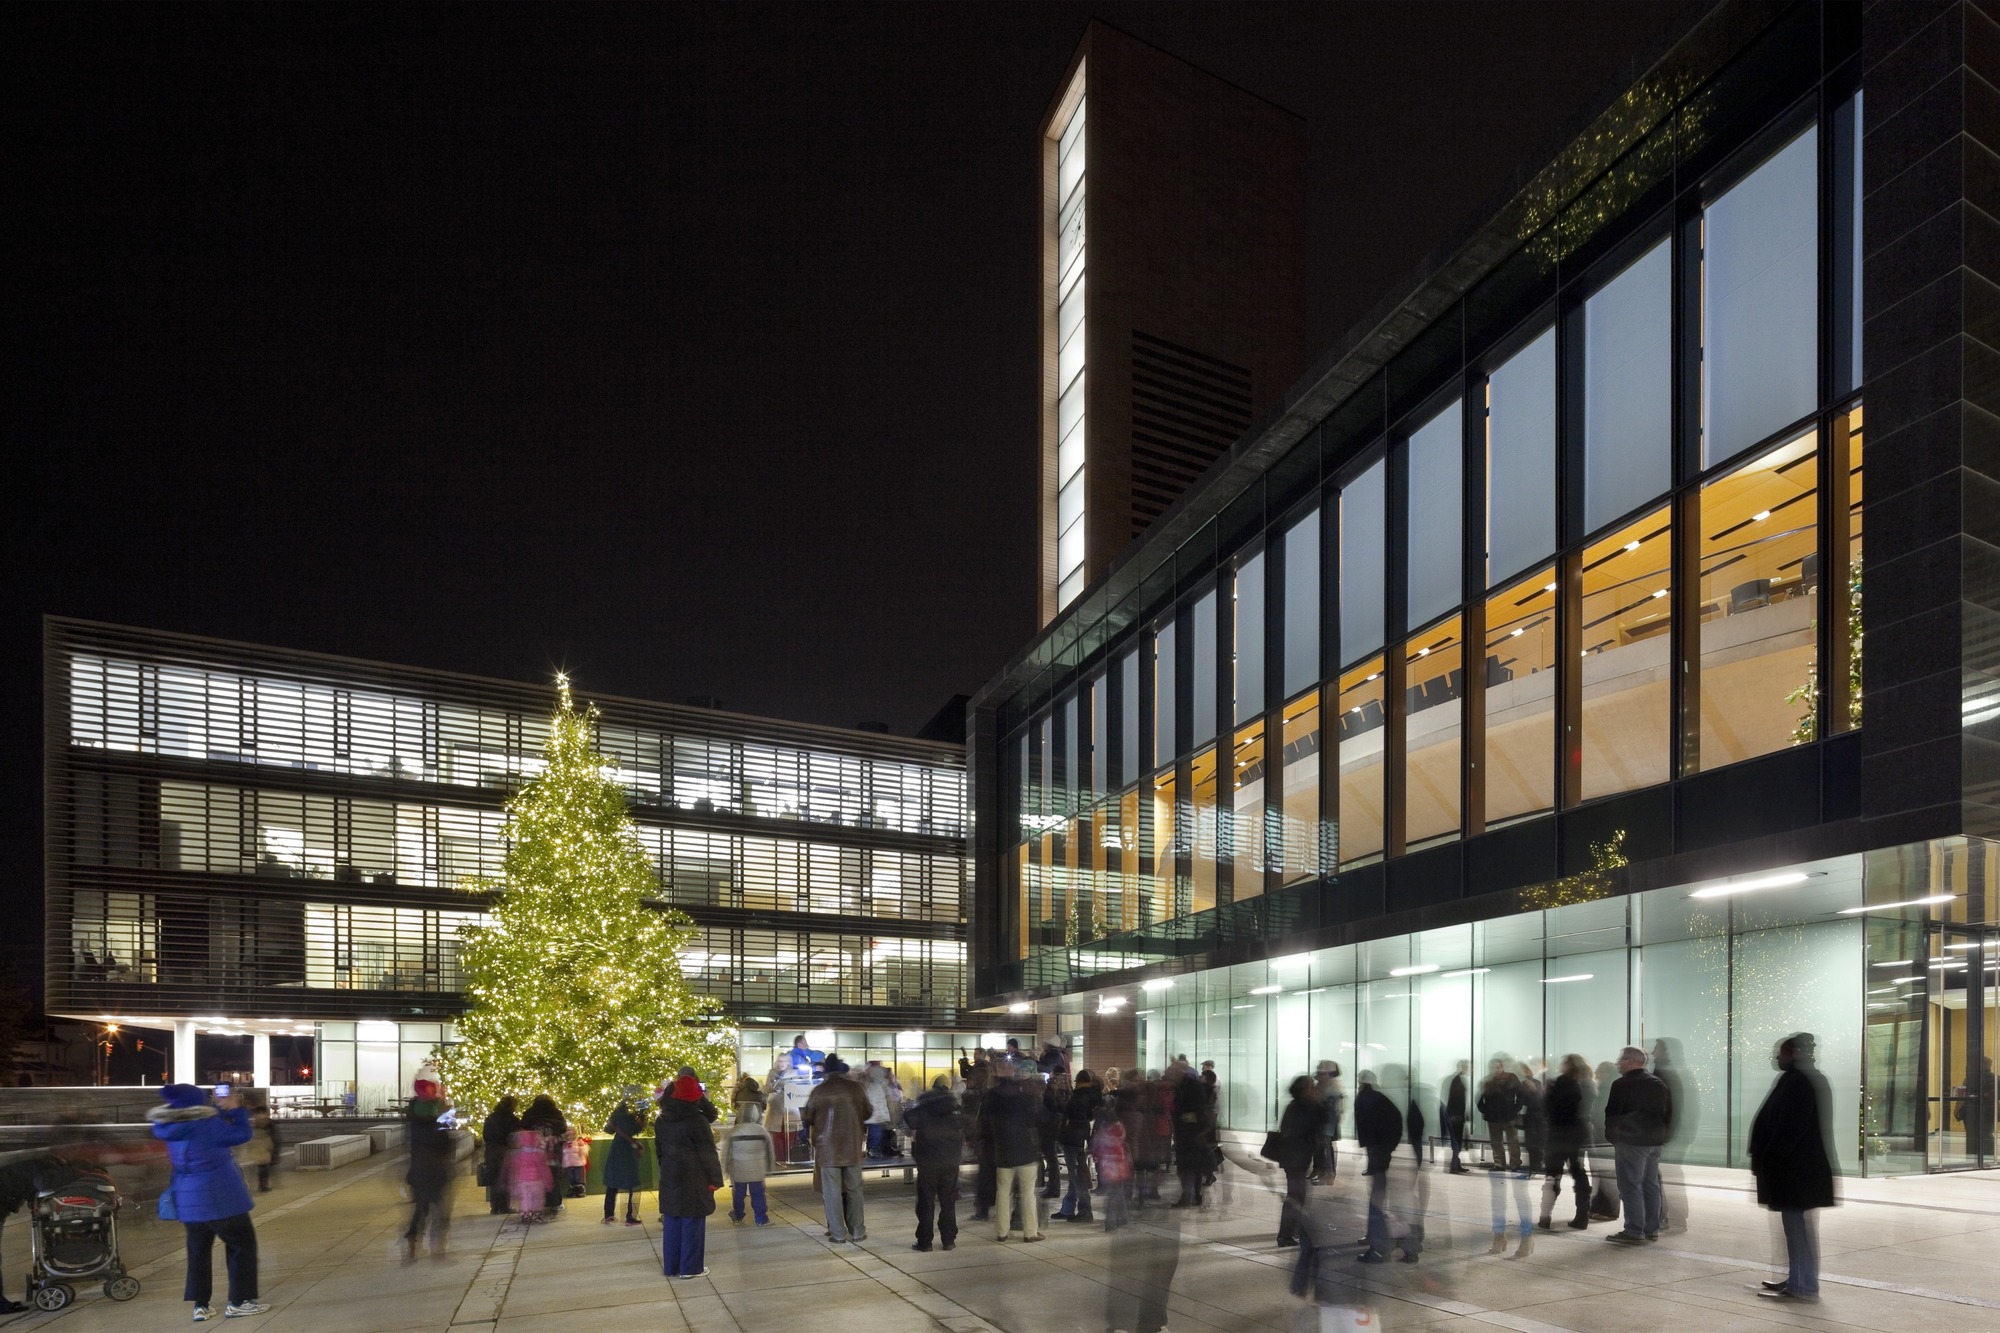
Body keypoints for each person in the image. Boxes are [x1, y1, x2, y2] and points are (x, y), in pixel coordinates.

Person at [151, 1084, 267, 1320]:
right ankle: (240, 1302)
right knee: (241, 1246)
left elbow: (204, 1133)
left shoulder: (169, 1125)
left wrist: (221, 1112)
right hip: (219, 1197)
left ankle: (201, 1306)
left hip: (188, 1201)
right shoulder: (206, 1124)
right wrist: (236, 1111)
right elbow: (241, 1135)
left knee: (198, 1252)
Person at [1749, 1033, 1836, 1303]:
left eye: (1781, 1053)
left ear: (1794, 1054)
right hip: (1796, 1170)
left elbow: (1790, 1128)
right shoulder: (1798, 1079)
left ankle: (1804, 1285)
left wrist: (1771, 1158)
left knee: (1798, 1230)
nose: (1777, 1057)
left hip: (1796, 1171)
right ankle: (1799, 1278)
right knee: (1796, 1228)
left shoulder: (1800, 1082)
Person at [656, 1073, 724, 1279]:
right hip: (694, 1176)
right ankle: (691, 1267)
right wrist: (715, 1179)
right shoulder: (697, 1121)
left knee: (672, 1220)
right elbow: (708, 1153)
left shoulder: (662, 1119)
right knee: (692, 1221)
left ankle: (672, 1267)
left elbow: (659, 1150)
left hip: (670, 1174)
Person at [1603, 1044, 1671, 1246]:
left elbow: (1613, 1114)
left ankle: (1634, 1230)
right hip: (1654, 1142)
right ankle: (1652, 1229)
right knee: (1651, 1185)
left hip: (1631, 1142)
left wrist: (1613, 1136)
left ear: (1631, 1061)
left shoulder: (1621, 1084)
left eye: (1621, 1059)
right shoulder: (1658, 1083)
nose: (1618, 1063)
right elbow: (1667, 1113)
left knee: (1630, 1186)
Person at [804, 1055, 870, 1243]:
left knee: (832, 1192)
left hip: (827, 1150)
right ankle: (858, 1231)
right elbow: (868, 1112)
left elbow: (808, 1116)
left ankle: (838, 1233)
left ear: (826, 1072)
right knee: (855, 1190)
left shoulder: (819, 1091)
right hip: (853, 1146)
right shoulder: (856, 1089)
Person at [904, 1073, 965, 1251]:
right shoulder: (956, 1107)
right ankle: (949, 1240)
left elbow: (909, 1118)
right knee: (948, 1202)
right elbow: (967, 1125)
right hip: (951, 1162)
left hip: (928, 1161)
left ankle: (925, 1242)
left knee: (926, 1202)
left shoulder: (925, 1106)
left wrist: (921, 1100)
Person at [986, 1059, 1044, 1241]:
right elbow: (1035, 1118)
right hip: (1025, 1149)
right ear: (1012, 1071)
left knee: (1002, 1192)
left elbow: (986, 1123)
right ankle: (1030, 1232)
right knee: (1028, 1193)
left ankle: (1002, 1232)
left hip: (1003, 1150)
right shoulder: (1023, 1093)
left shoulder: (991, 1095)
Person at [1352, 1070, 1406, 1264]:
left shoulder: (1368, 1098)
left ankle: (1378, 1243)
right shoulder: (1378, 1098)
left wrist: (1377, 1147)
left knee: (1377, 1197)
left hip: (1378, 1150)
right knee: (1377, 1194)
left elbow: (1367, 1124)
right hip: (1379, 1149)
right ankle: (1376, 1236)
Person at [1537, 1054, 1592, 1232]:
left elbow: (1546, 1107)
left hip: (1558, 1134)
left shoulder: (1558, 1083)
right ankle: (1582, 1216)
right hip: (1577, 1135)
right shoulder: (1588, 1084)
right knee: (1579, 1174)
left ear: (1568, 1065)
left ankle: (1545, 1216)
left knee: (1552, 1175)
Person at [404, 1079, 456, 1261]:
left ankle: (413, 1242)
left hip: (419, 1169)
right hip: (434, 1169)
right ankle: (437, 1249)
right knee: (440, 1209)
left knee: (422, 1208)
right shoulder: (434, 1119)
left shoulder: (415, 1115)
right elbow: (445, 1137)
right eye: (430, 1090)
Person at [1273, 1075, 1319, 1248]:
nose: (1313, 1088)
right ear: (1304, 1090)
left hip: (1293, 1159)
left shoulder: (1294, 1106)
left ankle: (1291, 1233)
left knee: (1296, 1196)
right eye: (1311, 1086)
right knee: (1295, 1197)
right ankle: (1286, 1235)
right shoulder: (1302, 1107)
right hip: (1296, 1160)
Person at [1056, 1069, 1101, 1222]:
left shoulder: (1080, 1096)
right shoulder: (1093, 1094)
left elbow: (1070, 1112)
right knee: (1076, 1174)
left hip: (1073, 1137)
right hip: (1081, 1136)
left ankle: (1085, 1210)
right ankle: (1068, 1208)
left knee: (1077, 1175)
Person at [602, 1086, 647, 1226]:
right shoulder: (641, 1110)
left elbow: (608, 1129)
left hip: (617, 1147)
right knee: (631, 1183)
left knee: (612, 1182)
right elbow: (642, 1126)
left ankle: (608, 1214)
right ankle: (630, 1216)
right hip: (630, 1148)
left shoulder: (620, 1109)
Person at [725, 1102, 776, 1225]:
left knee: (738, 1194)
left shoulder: (734, 1131)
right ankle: (761, 1218)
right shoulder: (761, 1131)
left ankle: (738, 1216)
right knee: (758, 1194)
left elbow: (726, 1152)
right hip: (757, 1170)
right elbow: (769, 1151)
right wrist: (770, 1167)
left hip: (738, 1169)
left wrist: (726, 1168)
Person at [1092, 1089, 1133, 1231]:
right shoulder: (1119, 1128)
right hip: (1120, 1163)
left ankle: (1117, 1219)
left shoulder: (1103, 1131)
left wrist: (1096, 1156)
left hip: (1107, 1165)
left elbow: (1097, 1146)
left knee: (1114, 1193)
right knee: (1117, 1192)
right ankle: (1117, 1220)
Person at [520, 1095, 568, 1215]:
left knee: (535, 1178)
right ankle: (555, 1203)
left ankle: (535, 1204)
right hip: (552, 1151)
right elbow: (563, 1130)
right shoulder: (556, 1114)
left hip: (534, 1151)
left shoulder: (529, 1114)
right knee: (552, 1177)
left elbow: (523, 1129)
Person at [1477, 1058, 1522, 1171]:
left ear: (1502, 1067)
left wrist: (1516, 1109)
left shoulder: (1511, 1078)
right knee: (1496, 1142)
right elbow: (1479, 1099)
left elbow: (1521, 1095)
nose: (1496, 1070)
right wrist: (1486, 1111)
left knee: (1512, 1141)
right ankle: (1499, 1164)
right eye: (1493, 1067)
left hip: (1509, 1116)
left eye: (1498, 1067)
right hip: (1494, 1118)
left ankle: (1514, 1163)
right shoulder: (1488, 1081)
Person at [480, 1096, 521, 1215]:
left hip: (492, 1151)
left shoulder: (490, 1118)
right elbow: (515, 1137)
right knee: (505, 1179)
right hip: (505, 1151)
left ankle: (495, 1206)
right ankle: (504, 1206)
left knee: (494, 1179)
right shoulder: (513, 1120)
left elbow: (486, 1135)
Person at [506, 1127, 553, 1222]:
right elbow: (544, 1170)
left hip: (523, 1181)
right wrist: (548, 1182)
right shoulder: (539, 1154)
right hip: (537, 1181)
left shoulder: (518, 1155)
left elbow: (515, 1170)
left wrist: (513, 1184)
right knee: (537, 1197)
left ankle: (525, 1214)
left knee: (525, 1198)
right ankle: (536, 1214)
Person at [236, 1100, 280, 1194]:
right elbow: (275, 1138)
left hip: (258, 1150)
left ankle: (257, 1185)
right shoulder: (268, 1123)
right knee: (263, 1169)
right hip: (263, 1150)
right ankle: (263, 1186)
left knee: (259, 1169)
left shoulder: (253, 1123)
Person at [1040, 1070, 1070, 1200]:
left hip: (1049, 1130)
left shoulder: (1051, 1096)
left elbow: (1050, 1111)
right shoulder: (1061, 1094)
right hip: (1052, 1130)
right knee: (1052, 1159)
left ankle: (1053, 1188)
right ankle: (1052, 1187)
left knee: (1052, 1159)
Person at [1313, 1061, 1344, 1181]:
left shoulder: (1332, 1087)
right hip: (1325, 1121)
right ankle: (1324, 1172)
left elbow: (1330, 1106)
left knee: (1325, 1146)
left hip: (1327, 1121)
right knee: (1323, 1146)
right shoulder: (1329, 1085)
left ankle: (1328, 1173)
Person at [863, 1062, 896, 1159]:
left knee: (876, 1134)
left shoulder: (870, 1085)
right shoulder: (877, 1086)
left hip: (875, 1116)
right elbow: (881, 1103)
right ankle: (873, 1150)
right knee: (875, 1134)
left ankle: (873, 1150)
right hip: (876, 1116)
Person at [1443, 1061, 1471, 1174]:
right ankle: (1454, 1166)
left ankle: (1456, 1164)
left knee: (1457, 1141)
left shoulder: (1457, 1080)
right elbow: (1456, 1100)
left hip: (1455, 1116)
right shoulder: (1457, 1080)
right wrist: (1459, 1115)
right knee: (1456, 1142)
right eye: (1467, 1067)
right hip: (1455, 1116)